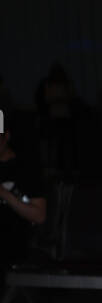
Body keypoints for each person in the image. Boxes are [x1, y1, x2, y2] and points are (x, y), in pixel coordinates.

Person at [0, 120, 47, 286]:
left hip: (15, 238)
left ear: (6, 136)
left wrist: (5, 194)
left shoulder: (25, 169)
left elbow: (39, 216)